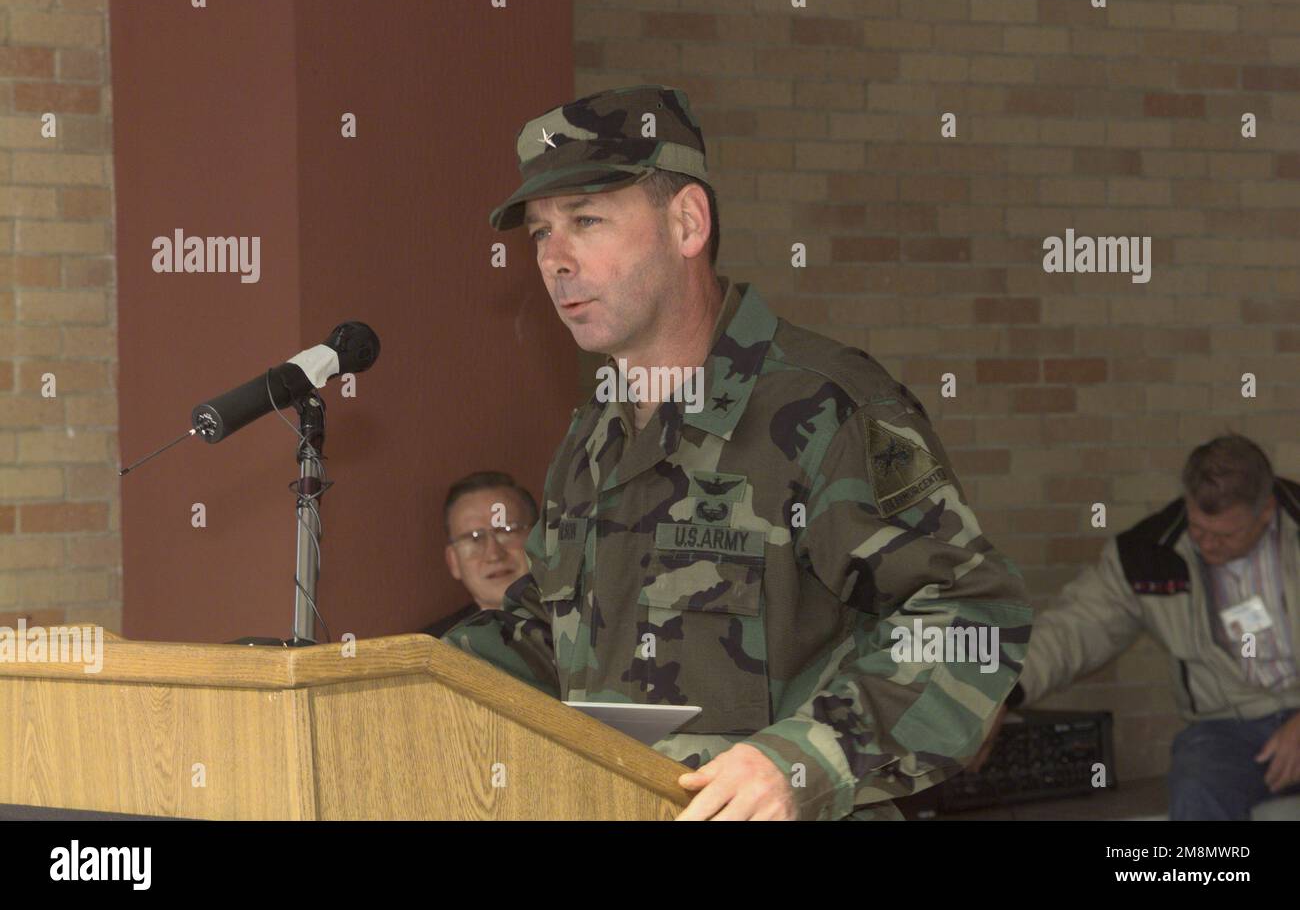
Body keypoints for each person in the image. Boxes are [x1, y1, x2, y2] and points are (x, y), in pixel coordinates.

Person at [444, 84, 1032, 821]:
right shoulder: (594, 434)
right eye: (538, 233)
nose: (553, 260)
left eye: (585, 221)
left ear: (687, 223)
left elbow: (975, 616)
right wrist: (393, 681)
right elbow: (541, 640)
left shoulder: (826, 405)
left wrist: (803, 761)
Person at [971, 434, 1300, 819]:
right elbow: (1077, 626)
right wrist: (999, 690)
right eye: (1198, 529)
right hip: (1226, 729)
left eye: (1226, 535)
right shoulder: (1147, 554)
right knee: (1196, 785)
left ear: (1266, 512)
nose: (1208, 545)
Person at [422, 471, 537, 638]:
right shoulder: (433, 652)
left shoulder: (582, 629)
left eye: (507, 531)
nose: (494, 555)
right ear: (453, 561)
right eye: (474, 538)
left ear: (541, 541)